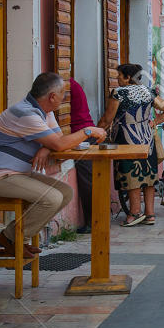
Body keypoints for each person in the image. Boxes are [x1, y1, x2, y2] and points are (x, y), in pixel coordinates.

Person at [0, 72, 105, 257]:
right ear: (52, 96)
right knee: (51, 198)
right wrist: (88, 131)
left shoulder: (45, 112)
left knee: (65, 193)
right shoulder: (25, 113)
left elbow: (58, 142)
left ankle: (17, 238)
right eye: (63, 94)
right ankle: (10, 238)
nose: (65, 98)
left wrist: (45, 147)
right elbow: (60, 144)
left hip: (16, 174)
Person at [100, 63, 164, 227]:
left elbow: (107, 119)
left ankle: (134, 213)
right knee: (149, 177)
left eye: (119, 75)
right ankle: (150, 214)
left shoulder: (119, 94)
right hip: (147, 140)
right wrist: (154, 121)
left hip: (127, 139)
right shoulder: (148, 92)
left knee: (131, 175)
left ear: (127, 77)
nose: (117, 79)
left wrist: (95, 133)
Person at [68, 77, 96, 233]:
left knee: (88, 182)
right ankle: (94, 220)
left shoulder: (67, 85)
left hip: (81, 134)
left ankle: (92, 222)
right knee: (90, 179)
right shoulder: (72, 83)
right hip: (85, 132)